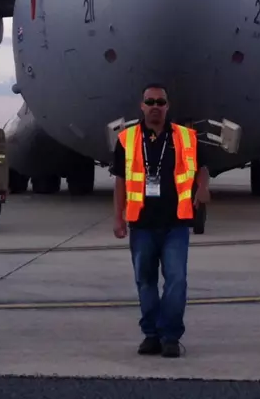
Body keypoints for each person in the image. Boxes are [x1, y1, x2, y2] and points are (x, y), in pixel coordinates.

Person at [111, 83, 210, 358]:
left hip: (175, 223)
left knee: (176, 280)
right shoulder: (126, 140)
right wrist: (117, 217)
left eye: (160, 102)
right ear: (142, 106)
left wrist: (203, 187)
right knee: (145, 281)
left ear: (167, 106)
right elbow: (120, 180)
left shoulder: (186, 138)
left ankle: (170, 336)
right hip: (141, 223)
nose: (155, 106)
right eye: (150, 102)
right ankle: (151, 335)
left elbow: (202, 167)